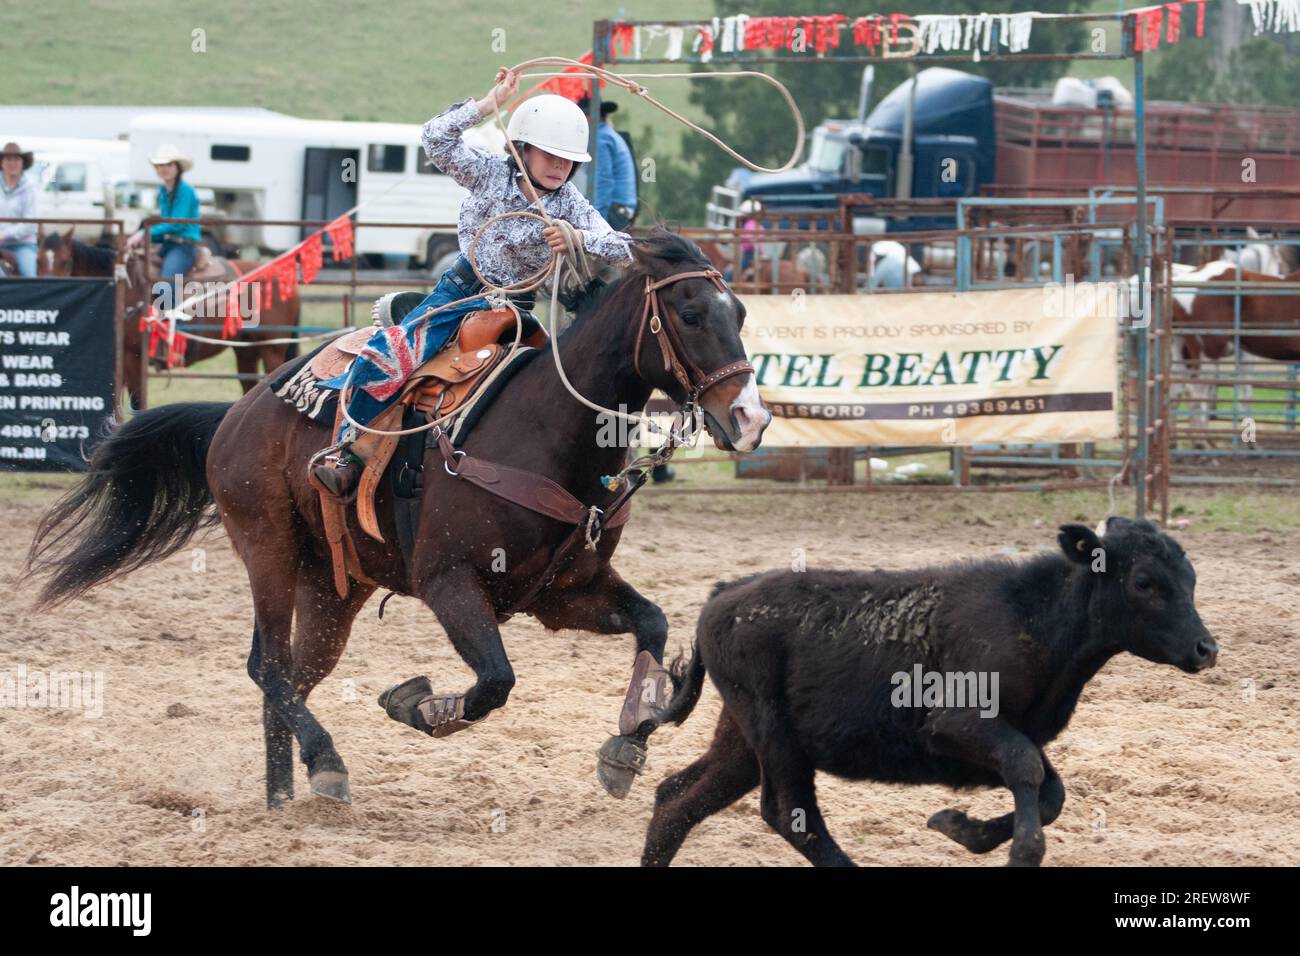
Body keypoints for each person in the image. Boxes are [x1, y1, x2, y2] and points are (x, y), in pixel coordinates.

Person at [311, 67, 634, 499]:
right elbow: (435, 138)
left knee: (559, 386)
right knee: (389, 356)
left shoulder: (572, 206)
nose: (560, 165)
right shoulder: (488, 174)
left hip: (517, 312)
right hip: (460, 294)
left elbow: (624, 247)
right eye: (549, 153)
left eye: (568, 158)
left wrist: (580, 237)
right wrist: (487, 106)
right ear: (521, 148)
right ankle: (347, 452)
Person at [125, 145, 201, 310]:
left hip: (184, 246)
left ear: (177, 167)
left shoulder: (185, 190)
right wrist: (144, 237)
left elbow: (175, 223)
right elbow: (167, 224)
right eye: (160, 166)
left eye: (168, 165)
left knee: (166, 280)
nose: (163, 169)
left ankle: (173, 323)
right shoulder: (164, 191)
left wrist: (144, 233)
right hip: (169, 245)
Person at [577, 97, 637, 231]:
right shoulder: (605, 134)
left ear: (587, 117)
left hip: (613, 210)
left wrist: (597, 222)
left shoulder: (599, 139)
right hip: (620, 208)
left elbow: (603, 182)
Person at [0, 142, 39, 277]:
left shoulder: (30, 188)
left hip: (22, 245)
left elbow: (30, 224)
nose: (12, 163)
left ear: (22, 163)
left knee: (30, 276)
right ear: (1, 163)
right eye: (8, 159)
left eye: (16, 159)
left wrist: (3, 234)